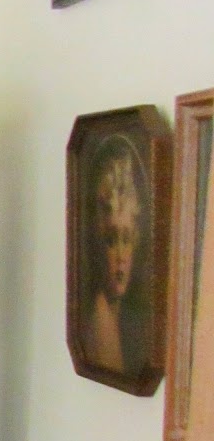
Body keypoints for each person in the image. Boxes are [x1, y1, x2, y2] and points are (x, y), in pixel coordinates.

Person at [81, 136, 147, 375]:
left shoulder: (129, 319)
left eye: (126, 239)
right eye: (110, 241)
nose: (120, 256)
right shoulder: (101, 319)